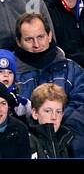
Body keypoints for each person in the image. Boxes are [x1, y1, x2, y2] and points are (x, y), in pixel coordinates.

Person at [10, 12, 84, 151]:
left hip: (70, 138)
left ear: (49, 36)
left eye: (41, 37)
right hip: (27, 141)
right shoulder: (10, 75)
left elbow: (81, 104)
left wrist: (58, 122)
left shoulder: (71, 69)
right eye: (29, 39)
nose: (36, 44)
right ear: (19, 42)